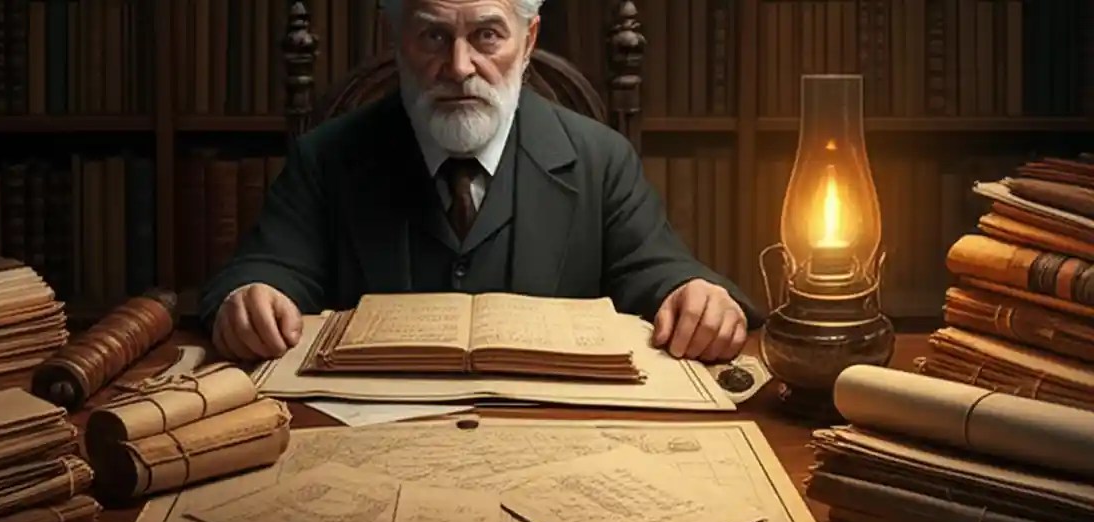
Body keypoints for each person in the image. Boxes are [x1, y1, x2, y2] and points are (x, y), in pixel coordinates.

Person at [201, 0, 763, 364]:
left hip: (555, 452)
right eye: (433, 37)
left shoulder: (601, 159)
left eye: (487, 35)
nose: (460, 66)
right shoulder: (326, 158)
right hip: (374, 446)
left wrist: (696, 296)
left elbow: (661, 272)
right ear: (394, 39)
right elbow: (266, 270)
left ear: (529, 40)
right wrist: (249, 299)